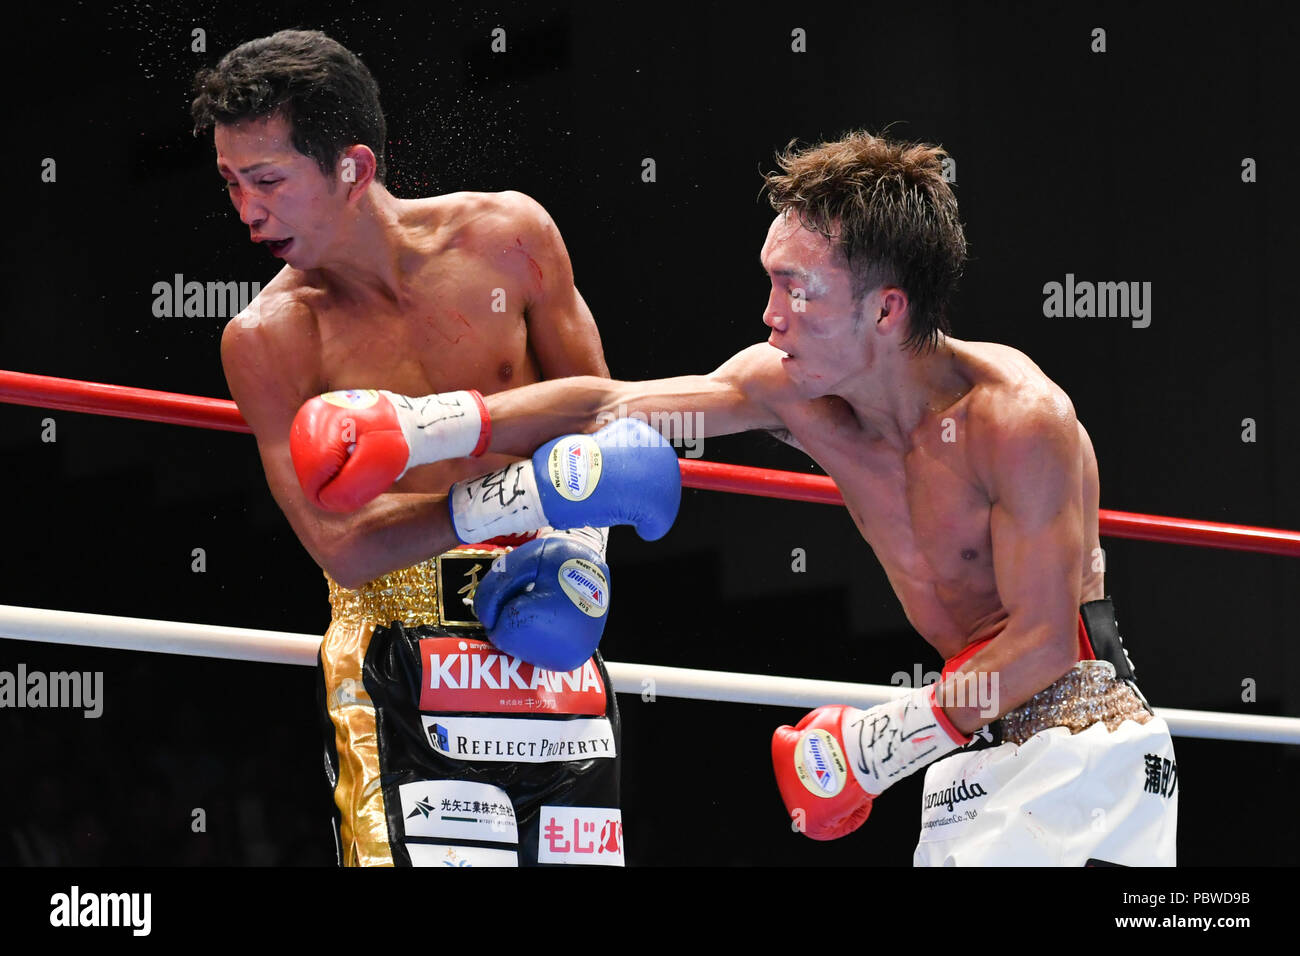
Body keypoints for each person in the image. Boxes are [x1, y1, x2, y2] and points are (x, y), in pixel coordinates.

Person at [314, 130, 1178, 866]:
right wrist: (421, 427)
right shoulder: (793, 389)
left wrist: (875, 748)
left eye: (797, 290)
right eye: (772, 279)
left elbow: (1038, 645)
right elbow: (609, 406)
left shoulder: (1019, 422)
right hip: (962, 752)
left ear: (885, 312)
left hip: (1080, 744)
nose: (769, 314)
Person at [197, 29, 677, 867]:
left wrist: (580, 559)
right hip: (399, 654)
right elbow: (343, 546)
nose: (247, 211)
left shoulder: (509, 236)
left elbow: (611, 431)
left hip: (552, 650)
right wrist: (527, 499)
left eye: (268, 181)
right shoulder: (270, 336)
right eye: (232, 183)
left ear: (353, 166)